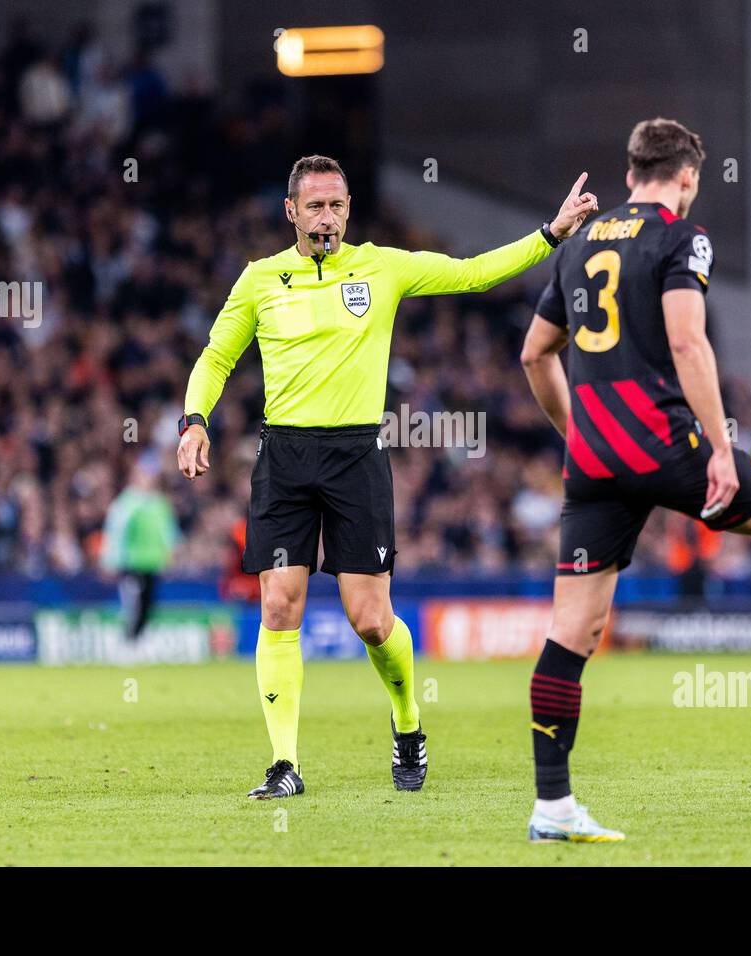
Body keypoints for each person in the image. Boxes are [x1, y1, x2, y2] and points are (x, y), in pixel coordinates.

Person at [177, 154, 598, 799]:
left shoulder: (382, 267)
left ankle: (407, 723)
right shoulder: (261, 280)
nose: (328, 218)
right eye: (315, 206)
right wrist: (194, 420)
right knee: (278, 601)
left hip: (355, 459)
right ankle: (284, 763)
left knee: (370, 620)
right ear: (291, 211)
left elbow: (472, 275)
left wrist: (550, 234)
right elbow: (214, 356)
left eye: (337, 205)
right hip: (284, 458)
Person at [517, 118, 751, 843]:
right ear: (688, 177)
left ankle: (553, 808)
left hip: (594, 461)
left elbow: (536, 355)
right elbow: (688, 339)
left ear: (629, 174)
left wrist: (578, 434)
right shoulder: (682, 237)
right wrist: (721, 444)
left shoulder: (575, 244)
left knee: (572, 632)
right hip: (664, 443)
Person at [100, 454, 180, 641]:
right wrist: (109, 560)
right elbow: (115, 533)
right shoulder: (126, 503)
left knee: (147, 605)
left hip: (153, 564)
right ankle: (129, 640)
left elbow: (168, 533)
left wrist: (171, 554)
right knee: (133, 605)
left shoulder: (160, 503)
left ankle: (136, 641)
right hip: (132, 563)